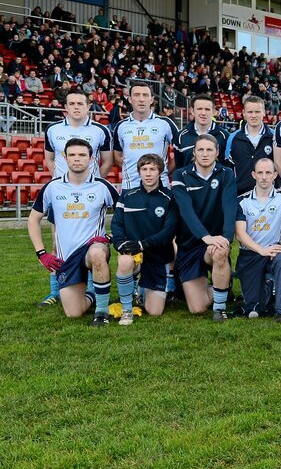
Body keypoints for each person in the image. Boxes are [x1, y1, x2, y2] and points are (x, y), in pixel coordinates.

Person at [27, 138, 119, 324]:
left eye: (82, 155)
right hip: (67, 258)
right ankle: (93, 293)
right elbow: (33, 220)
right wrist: (42, 253)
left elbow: (126, 217)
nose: (77, 159)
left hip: (93, 249)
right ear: (65, 158)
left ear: (91, 158)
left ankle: (101, 312)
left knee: (97, 253)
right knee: (73, 313)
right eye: (72, 155)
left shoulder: (103, 186)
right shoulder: (52, 187)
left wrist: (109, 237)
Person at [170, 134, 237, 321]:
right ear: (194, 152)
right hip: (189, 246)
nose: (205, 154)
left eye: (209, 150)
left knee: (220, 252)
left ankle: (220, 308)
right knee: (197, 308)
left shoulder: (226, 174)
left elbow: (230, 207)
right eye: (200, 149)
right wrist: (206, 237)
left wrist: (226, 239)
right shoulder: (180, 175)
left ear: (217, 152)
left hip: (214, 244)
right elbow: (186, 211)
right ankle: (222, 286)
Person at [110, 154, 178, 321]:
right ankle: (127, 310)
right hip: (134, 254)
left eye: (152, 169)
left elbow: (168, 231)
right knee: (124, 261)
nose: (148, 173)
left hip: (157, 257)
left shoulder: (169, 197)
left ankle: (140, 290)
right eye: (144, 169)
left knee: (155, 311)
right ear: (139, 172)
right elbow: (117, 224)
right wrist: (119, 243)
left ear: (160, 172)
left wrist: (143, 244)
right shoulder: (127, 196)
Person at [234, 159, 281, 322]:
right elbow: (240, 234)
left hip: (274, 252)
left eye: (268, 173)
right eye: (260, 173)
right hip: (250, 254)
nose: (264, 177)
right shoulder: (242, 201)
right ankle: (268, 286)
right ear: (253, 175)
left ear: (275, 175)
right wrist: (261, 250)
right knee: (254, 309)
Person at [111, 81, 178, 191]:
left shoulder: (166, 123)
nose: (141, 99)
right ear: (130, 99)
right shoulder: (121, 126)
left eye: (145, 95)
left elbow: (179, 152)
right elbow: (117, 156)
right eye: (137, 95)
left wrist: (164, 171)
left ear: (151, 99)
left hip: (160, 188)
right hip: (130, 187)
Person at [225, 95, 276, 196]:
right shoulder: (233, 138)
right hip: (240, 195)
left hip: (269, 195)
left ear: (264, 112)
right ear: (244, 113)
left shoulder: (274, 136)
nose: (253, 115)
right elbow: (228, 167)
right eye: (250, 112)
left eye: (257, 112)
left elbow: (279, 165)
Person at [175, 94, 228, 169]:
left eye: (207, 109)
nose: (203, 113)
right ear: (192, 111)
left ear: (214, 112)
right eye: (199, 109)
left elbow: (228, 168)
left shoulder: (225, 136)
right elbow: (179, 167)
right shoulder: (181, 136)